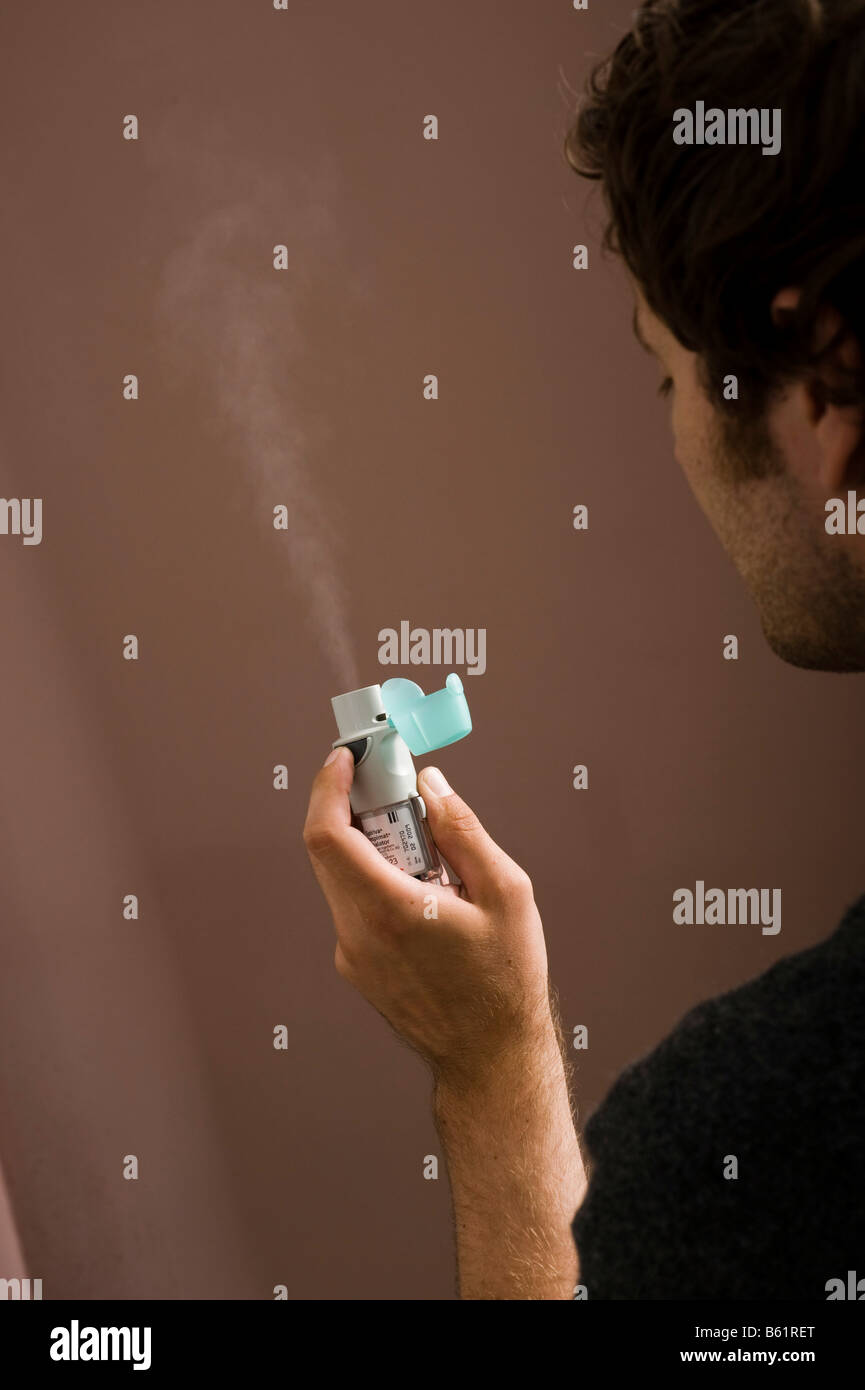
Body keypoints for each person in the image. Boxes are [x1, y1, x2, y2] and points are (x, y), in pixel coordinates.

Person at [303, 0, 865, 1299]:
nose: (671, 429)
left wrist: (489, 1060)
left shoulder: (754, 1139)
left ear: (827, 394)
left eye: (667, 378)